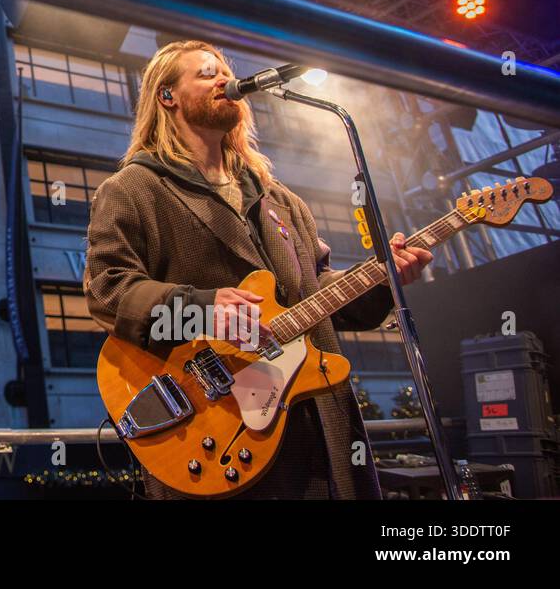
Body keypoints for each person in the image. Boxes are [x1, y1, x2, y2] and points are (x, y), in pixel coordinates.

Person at [84, 40, 433, 498]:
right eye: (206, 73)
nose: (223, 80)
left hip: (318, 427)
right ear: (167, 96)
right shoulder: (133, 189)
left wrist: (382, 282)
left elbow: (320, 294)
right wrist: (202, 310)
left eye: (225, 71)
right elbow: (108, 291)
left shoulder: (281, 201)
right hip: (219, 425)